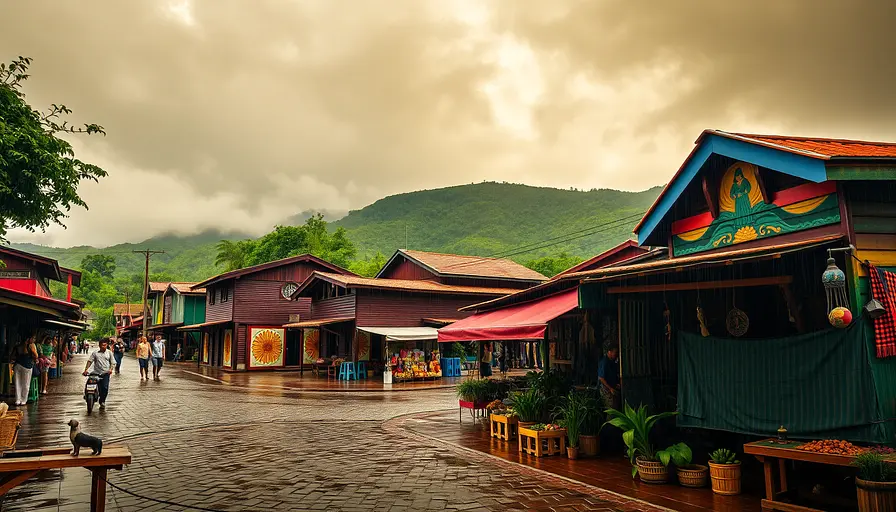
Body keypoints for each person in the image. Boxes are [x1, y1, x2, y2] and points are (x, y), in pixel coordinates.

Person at [83, 338, 114, 409]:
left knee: (105, 388)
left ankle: (102, 401)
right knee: (94, 385)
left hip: (105, 373)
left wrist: (110, 369)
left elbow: (113, 362)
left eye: (105, 345)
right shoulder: (95, 353)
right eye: (103, 345)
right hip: (96, 373)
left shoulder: (109, 353)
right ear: (99, 346)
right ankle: (88, 395)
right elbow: (90, 361)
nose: (104, 347)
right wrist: (86, 370)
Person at [11, 336, 38, 406]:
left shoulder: (17, 346)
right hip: (27, 366)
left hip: (18, 365)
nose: (34, 340)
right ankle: (23, 399)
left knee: (17, 383)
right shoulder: (31, 346)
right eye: (33, 338)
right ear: (28, 339)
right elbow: (36, 356)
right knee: (26, 384)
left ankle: (18, 400)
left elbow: (12, 357)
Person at [598, 344, 621, 410]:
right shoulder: (604, 362)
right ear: (609, 352)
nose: (616, 354)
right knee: (611, 409)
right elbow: (601, 378)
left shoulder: (612, 362)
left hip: (612, 388)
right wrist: (610, 388)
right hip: (605, 389)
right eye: (615, 352)